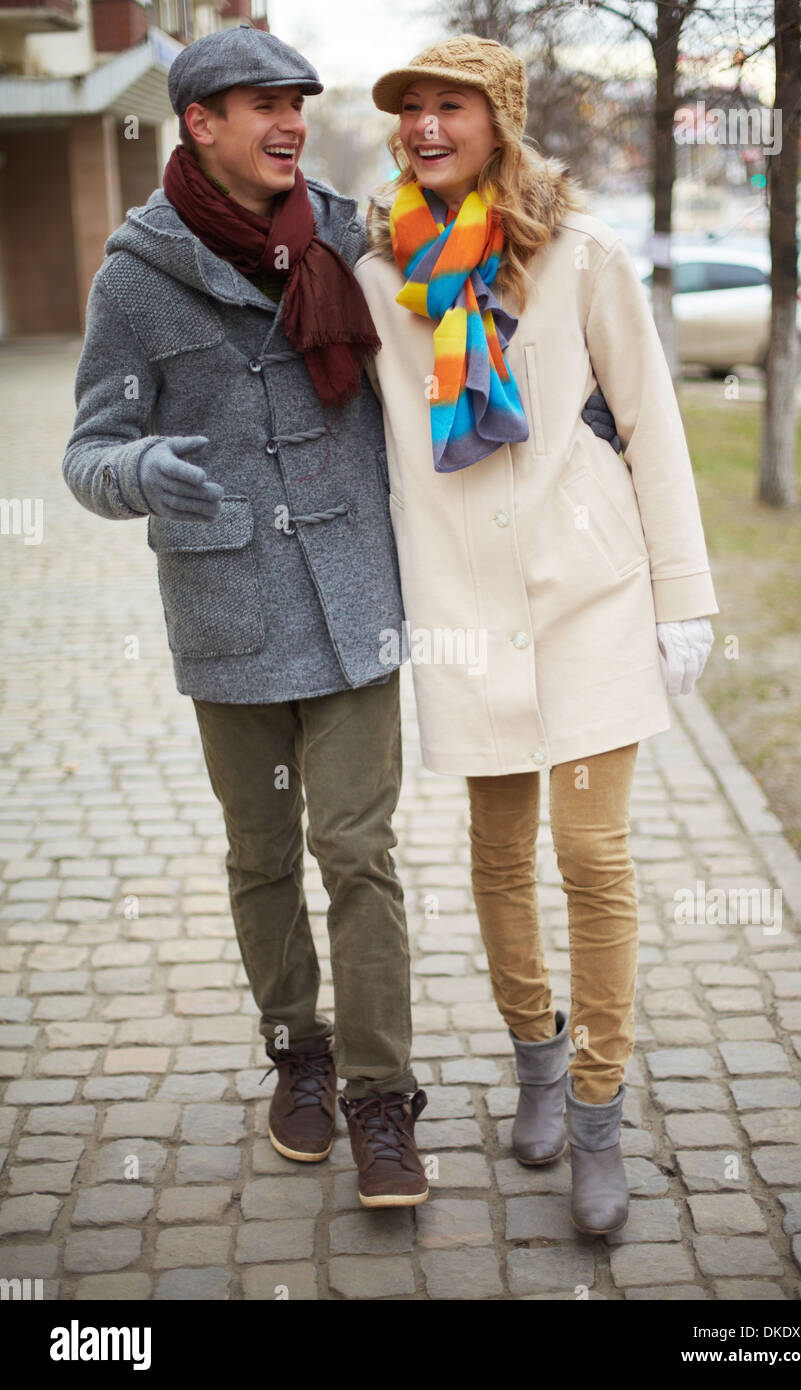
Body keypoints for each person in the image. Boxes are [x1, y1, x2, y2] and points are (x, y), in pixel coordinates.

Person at [60, 23, 436, 1209]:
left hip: (354, 600)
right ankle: (299, 1055)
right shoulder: (132, 274)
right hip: (226, 607)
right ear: (199, 126)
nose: (287, 123)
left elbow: (458, 332)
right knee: (262, 854)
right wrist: (139, 468)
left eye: (296, 103)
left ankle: (382, 1096)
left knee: (357, 851)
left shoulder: (353, 235)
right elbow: (90, 450)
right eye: (258, 104)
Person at [353, 35, 719, 1235]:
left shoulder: (582, 256)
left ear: (496, 121)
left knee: (592, 858)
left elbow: (653, 426)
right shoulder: (375, 275)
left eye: (445, 106)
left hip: (588, 593)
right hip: (460, 600)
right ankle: (537, 1065)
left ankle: (601, 1113)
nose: (420, 125)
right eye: (406, 108)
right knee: (498, 854)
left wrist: (683, 596)